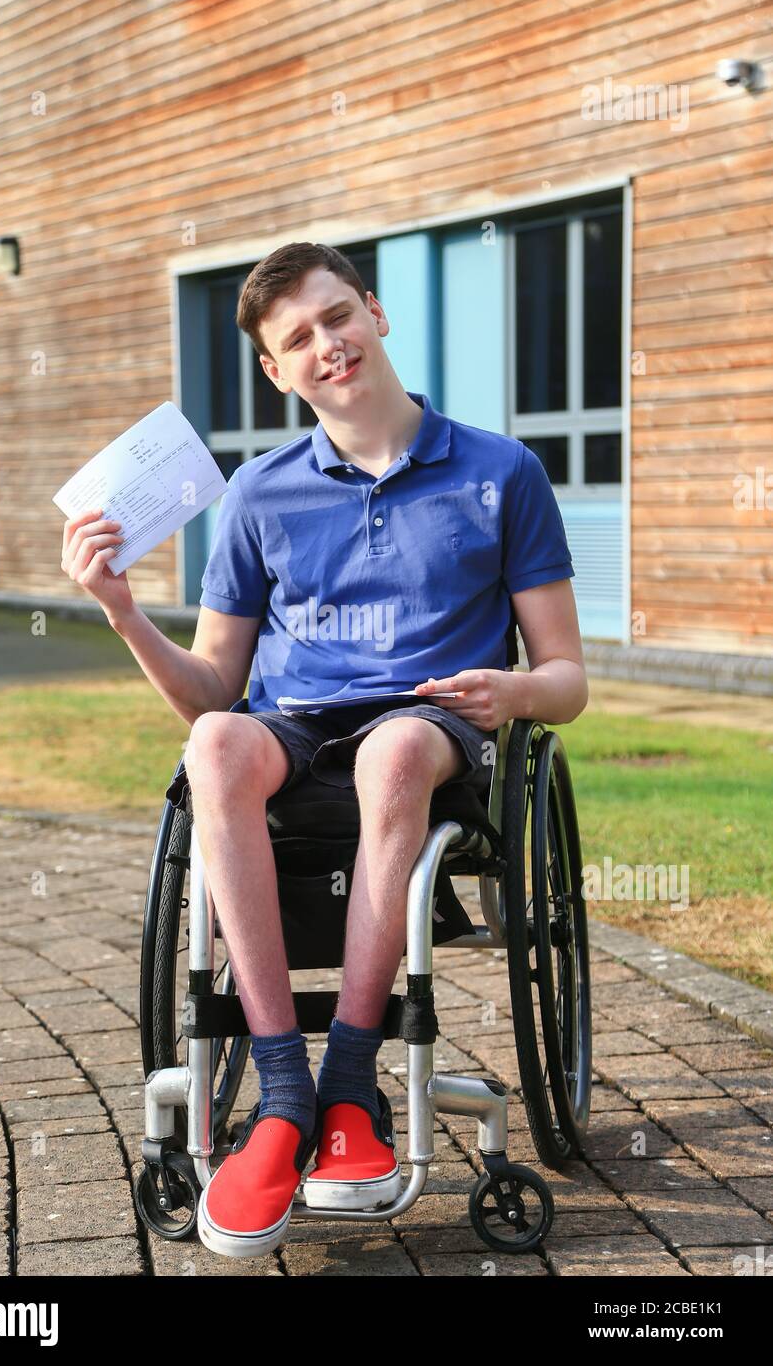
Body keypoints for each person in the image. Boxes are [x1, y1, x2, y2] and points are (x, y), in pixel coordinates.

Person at [60, 241, 588, 1261]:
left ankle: (350, 1082)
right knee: (214, 743)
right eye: (296, 337)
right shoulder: (258, 496)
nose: (325, 344)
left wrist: (511, 689)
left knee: (390, 752)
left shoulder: (499, 471)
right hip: (296, 729)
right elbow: (213, 690)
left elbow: (566, 676)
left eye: (335, 316)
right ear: (274, 369)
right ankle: (283, 1094)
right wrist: (121, 611)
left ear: (376, 315)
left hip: (432, 725)